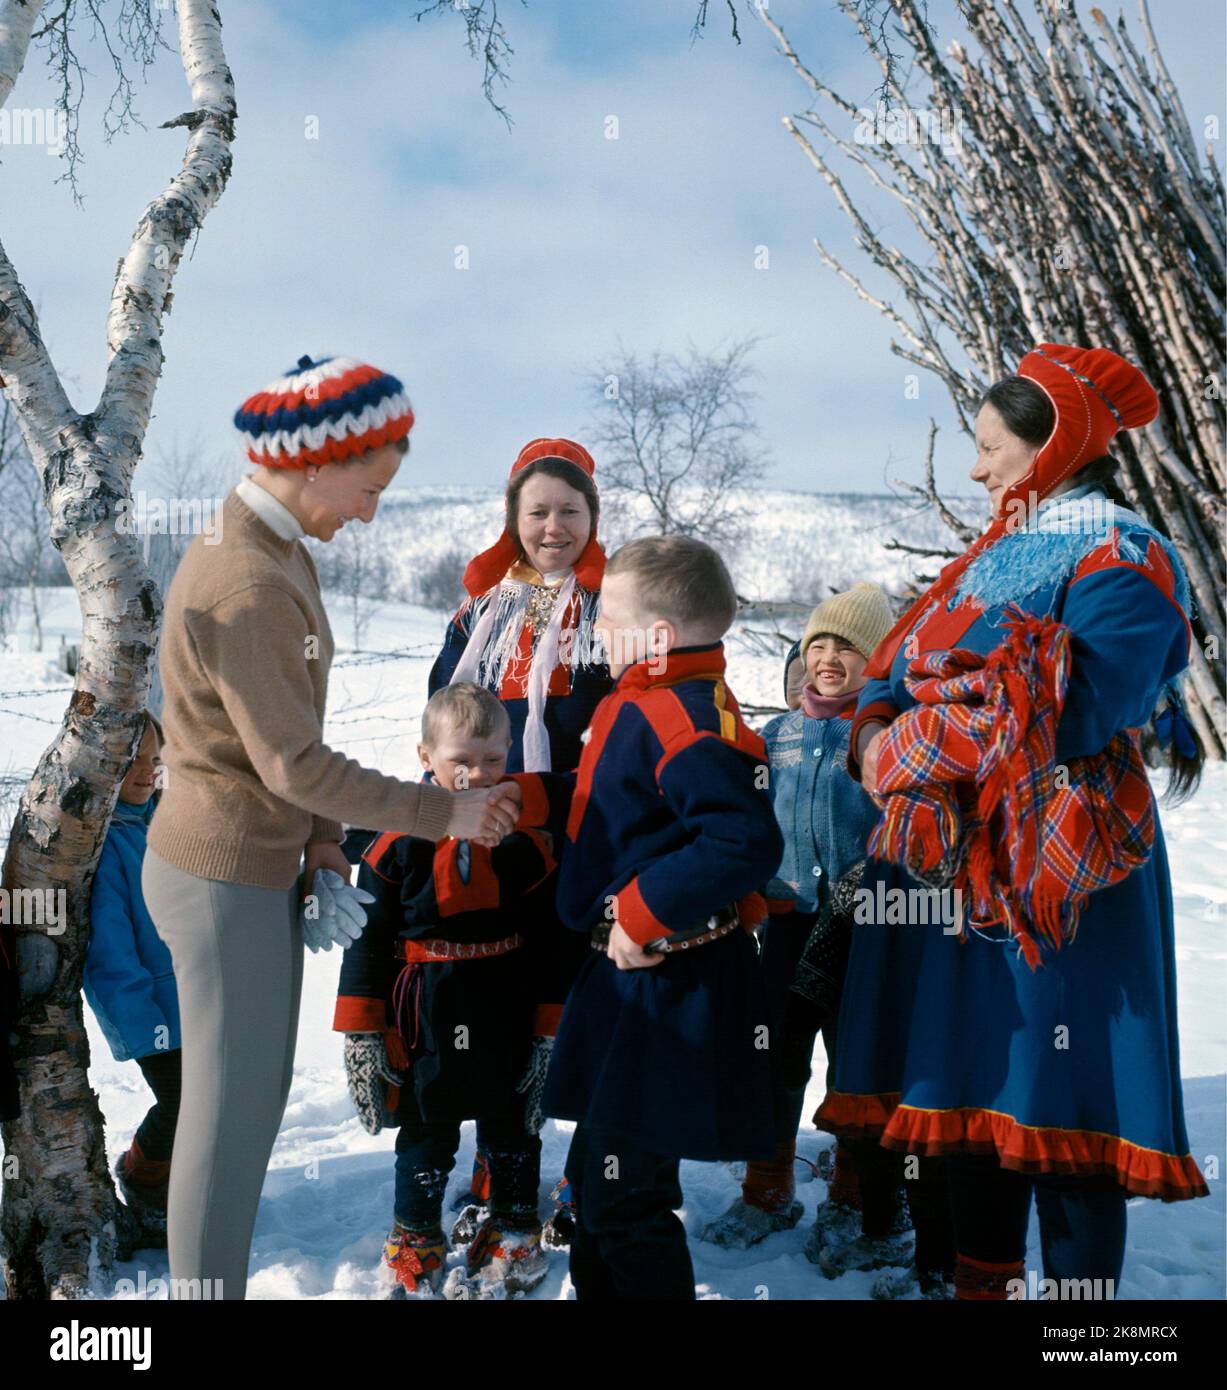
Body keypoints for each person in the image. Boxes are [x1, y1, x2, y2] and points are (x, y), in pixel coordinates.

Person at [818, 343, 1209, 1301]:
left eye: (991, 446)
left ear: (1055, 444)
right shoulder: (982, 562)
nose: (977, 468)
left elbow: (1077, 706)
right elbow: (888, 672)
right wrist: (878, 735)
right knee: (971, 1089)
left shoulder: (1124, 554)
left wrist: (912, 741)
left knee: (1062, 1108)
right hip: (954, 869)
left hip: (1059, 868)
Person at [142, 355, 520, 1300]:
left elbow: (281, 736)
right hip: (221, 875)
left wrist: (317, 845)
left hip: (256, 862)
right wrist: (446, 812)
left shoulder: (274, 549)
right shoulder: (248, 579)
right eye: (370, 485)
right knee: (225, 1127)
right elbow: (294, 763)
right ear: (321, 460)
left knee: (248, 1109)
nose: (370, 511)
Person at [511, 535, 784, 1300]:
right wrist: (528, 801)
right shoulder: (638, 701)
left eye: (611, 617)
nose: (597, 629)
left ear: (657, 636)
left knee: (621, 1197)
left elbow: (744, 839)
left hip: (667, 981)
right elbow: (626, 799)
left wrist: (638, 911)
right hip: (628, 982)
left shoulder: (681, 715)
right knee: (599, 1188)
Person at [701, 584, 917, 1269]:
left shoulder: (884, 737)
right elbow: (748, 826)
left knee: (857, 1068)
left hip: (864, 933)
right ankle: (768, 1189)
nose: (828, 658)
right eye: (817, 645)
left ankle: (854, 1198)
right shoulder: (776, 738)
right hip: (787, 929)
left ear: (875, 663)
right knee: (773, 1059)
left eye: (847, 649)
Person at [428, 437, 610, 1234]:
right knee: (501, 1012)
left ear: (592, 517)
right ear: (513, 517)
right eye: (537, 511)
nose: (552, 526)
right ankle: (502, 1168)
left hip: (583, 838)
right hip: (494, 845)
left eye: (569, 510)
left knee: (581, 1011)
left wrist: (541, 794)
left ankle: (586, 1174)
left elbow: (628, 736)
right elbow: (442, 710)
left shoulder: (614, 609)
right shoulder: (480, 610)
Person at [334, 683, 561, 1298]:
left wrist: (547, 1030)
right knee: (427, 1127)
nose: (478, 774)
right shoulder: (393, 843)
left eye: (493, 760)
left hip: (506, 1002)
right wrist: (362, 1029)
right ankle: (416, 1240)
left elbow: (550, 941)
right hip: (423, 1013)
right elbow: (369, 939)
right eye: (461, 760)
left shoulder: (529, 843)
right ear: (425, 757)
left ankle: (513, 1233)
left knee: (513, 1124)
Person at [82, 712, 179, 1238]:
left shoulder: (166, 824)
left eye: (154, 761)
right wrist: (144, 1025)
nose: (145, 773)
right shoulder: (103, 848)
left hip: (196, 1001)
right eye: (130, 763)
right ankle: (143, 1179)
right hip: (153, 1011)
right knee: (181, 1100)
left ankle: (183, 1186)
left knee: (205, 1102)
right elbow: (111, 954)